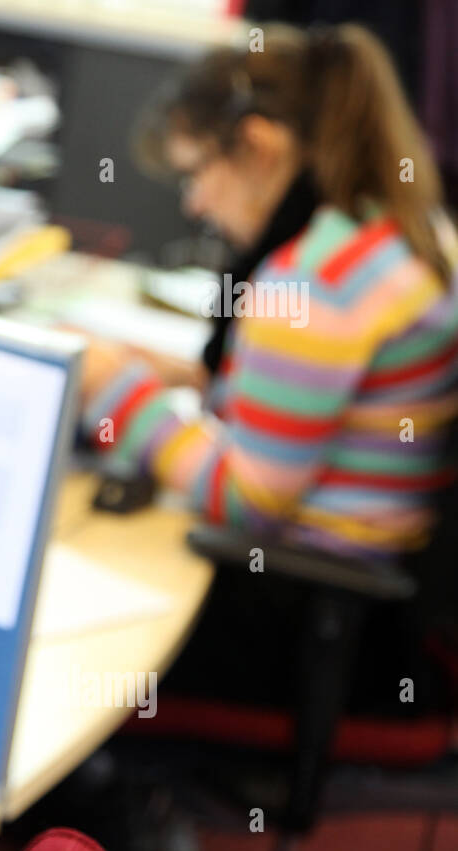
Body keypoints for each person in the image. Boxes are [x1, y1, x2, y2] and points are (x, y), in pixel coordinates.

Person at [78, 23, 458, 708]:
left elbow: (248, 500)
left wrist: (115, 393)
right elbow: (301, 404)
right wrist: (170, 374)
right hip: (364, 604)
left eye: (197, 174)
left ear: (258, 146)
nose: (194, 203)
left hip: (296, 608)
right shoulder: (375, 232)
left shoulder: (311, 285)